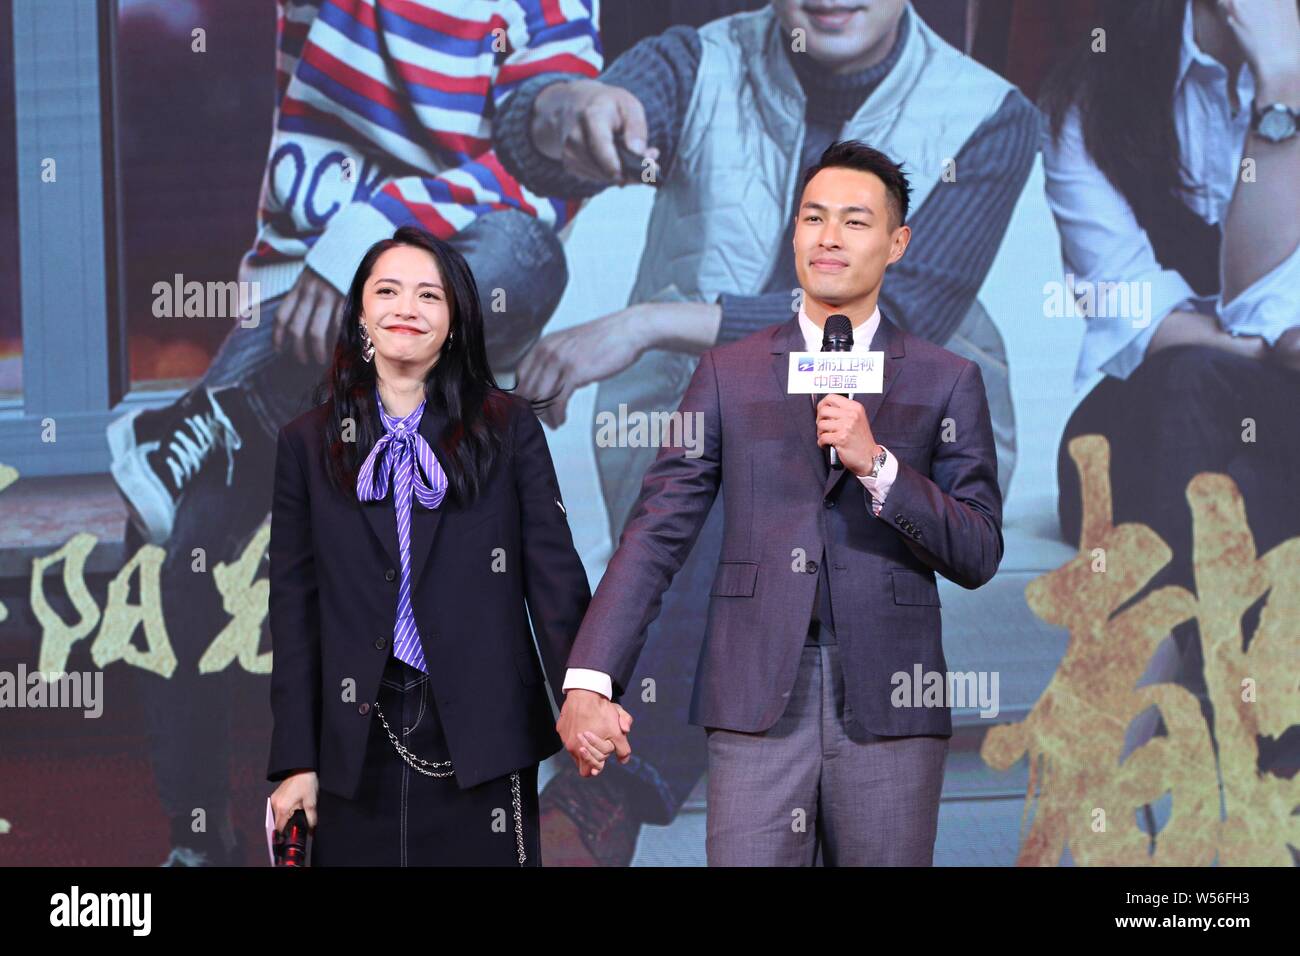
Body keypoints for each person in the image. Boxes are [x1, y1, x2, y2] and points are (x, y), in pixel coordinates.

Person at [492, 0, 1038, 864]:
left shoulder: (989, 115)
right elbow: (555, 134)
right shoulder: (696, 62)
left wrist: (644, 323)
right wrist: (565, 110)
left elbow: (895, 317)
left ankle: (607, 796)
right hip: (687, 429)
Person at [104, 0, 602, 865]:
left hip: (447, 274)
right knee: (166, 539)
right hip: (302, 289)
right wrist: (333, 257)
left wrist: (367, 243)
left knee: (529, 255)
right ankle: (197, 837)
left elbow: (538, 180)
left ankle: (233, 416)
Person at [558, 142, 1004, 865]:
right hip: (756, 695)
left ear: (897, 244)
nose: (828, 237)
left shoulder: (945, 378)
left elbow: (979, 548)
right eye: (813, 218)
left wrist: (880, 465)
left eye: (854, 221)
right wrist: (590, 677)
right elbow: (656, 535)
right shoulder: (728, 372)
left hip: (890, 699)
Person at [265, 226, 602, 866]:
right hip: (354, 736)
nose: (406, 309)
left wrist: (584, 696)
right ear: (360, 314)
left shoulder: (507, 427)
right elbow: (294, 612)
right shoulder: (306, 443)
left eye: (429, 295)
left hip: (481, 733)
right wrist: (296, 762)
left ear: (454, 321)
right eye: (387, 291)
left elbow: (554, 577)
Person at [1040, 0, 1299, 765]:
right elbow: (1137, 319)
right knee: (1192, 385)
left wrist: (1282, 81)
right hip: (1138, 426)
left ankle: (1096, 772)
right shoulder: (1100, 88)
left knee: (1243, 478)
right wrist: (1282, 92)